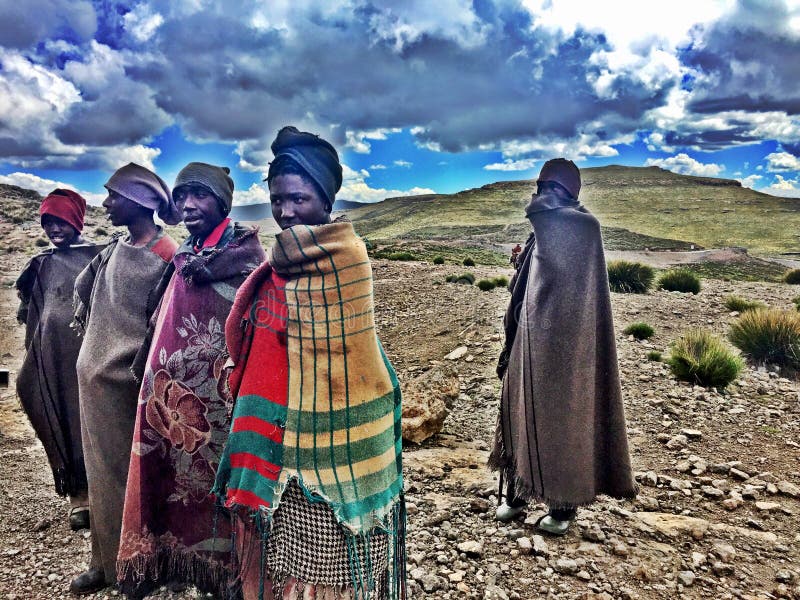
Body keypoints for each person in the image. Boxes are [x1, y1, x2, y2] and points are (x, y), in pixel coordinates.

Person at [212, 126, 406, 600]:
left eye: (298, 198)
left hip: (331, 436)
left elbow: (351, 356)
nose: (285, 212)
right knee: (280, 550)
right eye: (277, 199)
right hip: (275, 431)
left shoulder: (347, 259)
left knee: (330, 560)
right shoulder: (277, 261)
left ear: (326, 198)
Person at [117, 163, 265, 598]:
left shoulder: (247, 258)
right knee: (170, 484)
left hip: (219, 409)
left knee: (219, 486)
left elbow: (250, 330)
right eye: (182, 197)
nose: (188, 205)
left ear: (222, 202)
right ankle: (175, 560)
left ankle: (226, 575)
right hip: (170, 406)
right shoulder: (186, 255)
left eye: (199, 195)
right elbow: (163, 321)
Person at [489, 158, 637, 535]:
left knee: (565, 420)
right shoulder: (544, 227)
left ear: (569, 190)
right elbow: (535, 280)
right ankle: (517, 493)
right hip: (529, 336)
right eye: (542, 186)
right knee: (520, 409)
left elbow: (574, 286)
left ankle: (563, 506)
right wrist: (522, 263)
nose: (544, 194)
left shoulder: (582, 226)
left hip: (569, 346)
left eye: (553, 186)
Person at [70, 163, 181, 595]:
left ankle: (140, 567)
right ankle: (106, 562)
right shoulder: (115, 248)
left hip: (131, 390)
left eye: (113, 196)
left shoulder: (165, 254)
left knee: (135, 479)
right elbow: (87, 293)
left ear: (138, 201)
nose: (106, 203)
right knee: (101, 476)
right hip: (94, 388)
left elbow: (164, 328)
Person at [16, 189, 103, 531]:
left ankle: (104, 494)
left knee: (93, 421)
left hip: (89, 356)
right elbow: (31, 314)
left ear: (76, 221)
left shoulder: (97, 257)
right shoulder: (40, 265)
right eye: (48, 222)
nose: (54, 229)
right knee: (60, 419)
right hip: (53, 360)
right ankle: (78, 497)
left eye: (62, 221)